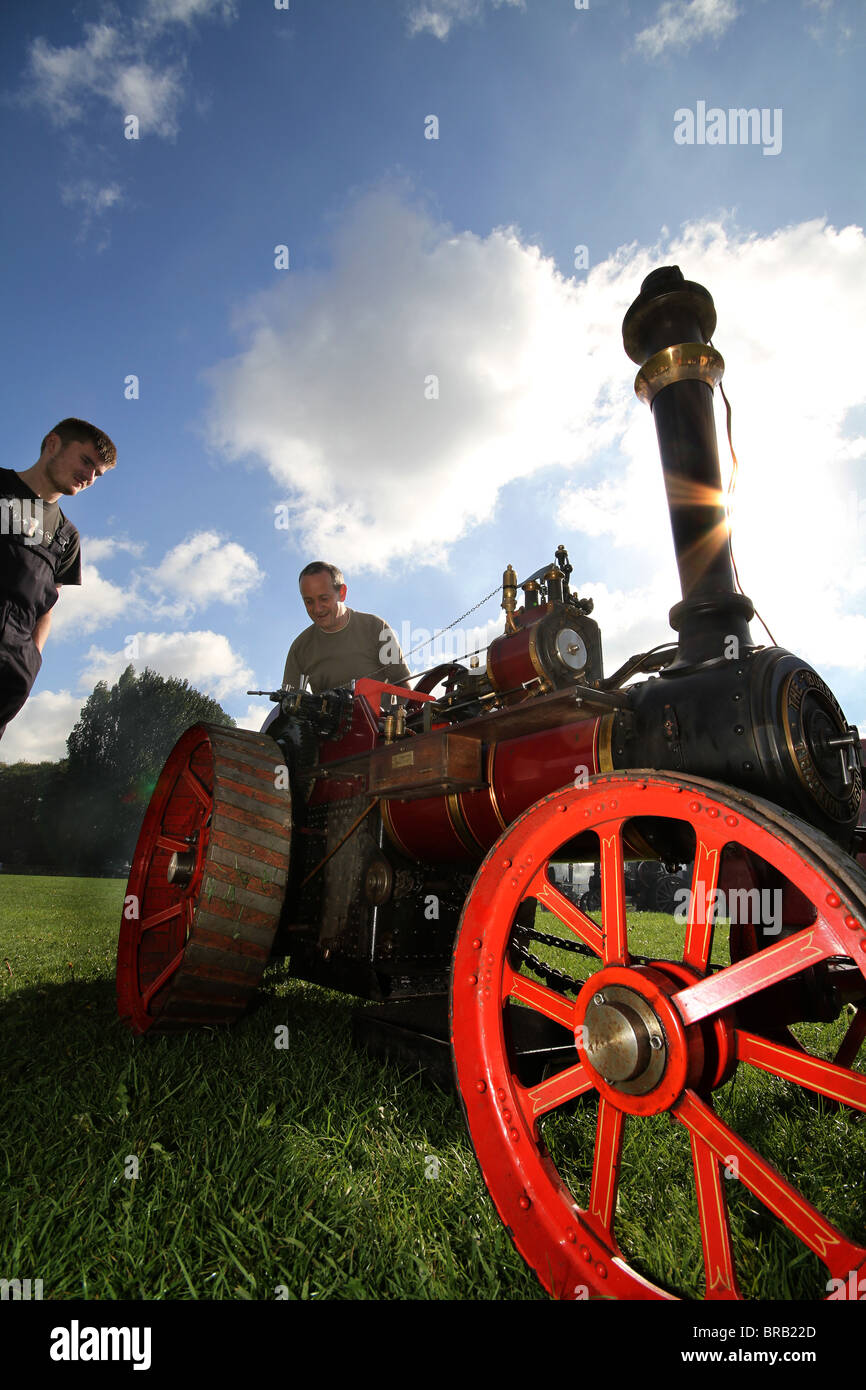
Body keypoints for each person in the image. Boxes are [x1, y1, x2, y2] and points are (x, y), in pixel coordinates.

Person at [0, 418, 117, 741]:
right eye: (86, 461)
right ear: (53, 443)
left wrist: (31, 659)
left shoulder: (67, 537)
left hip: (10, 673)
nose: (90, 477)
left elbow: (48, 605)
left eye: (98, 474)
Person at [281, 561, 411, 694]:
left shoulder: (376, 628)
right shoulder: (299, 648)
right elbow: (287, 702)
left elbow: (403, 684)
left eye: (324, 599)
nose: (317, 609)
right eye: (309, 602)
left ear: (342, 593)